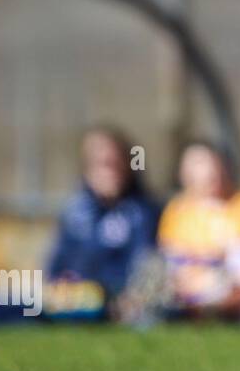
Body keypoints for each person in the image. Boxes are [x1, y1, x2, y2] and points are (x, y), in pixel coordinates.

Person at [45, 126, 160, 321]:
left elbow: (142, 263)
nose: (110, 173)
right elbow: (56, 266)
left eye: (115, 164)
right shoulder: (76, 212)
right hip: (74, 298)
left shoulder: (142, 212)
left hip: (117, 300)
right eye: (101, 165)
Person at [158, 140, 240, 317]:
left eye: (210, 163)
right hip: (187, 278)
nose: (208, 171)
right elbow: (169, 251)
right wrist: (206, 255)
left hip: (229, 278)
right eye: (197, 164)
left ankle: (210, 310)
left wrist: (200, 255)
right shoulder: (177, 208)